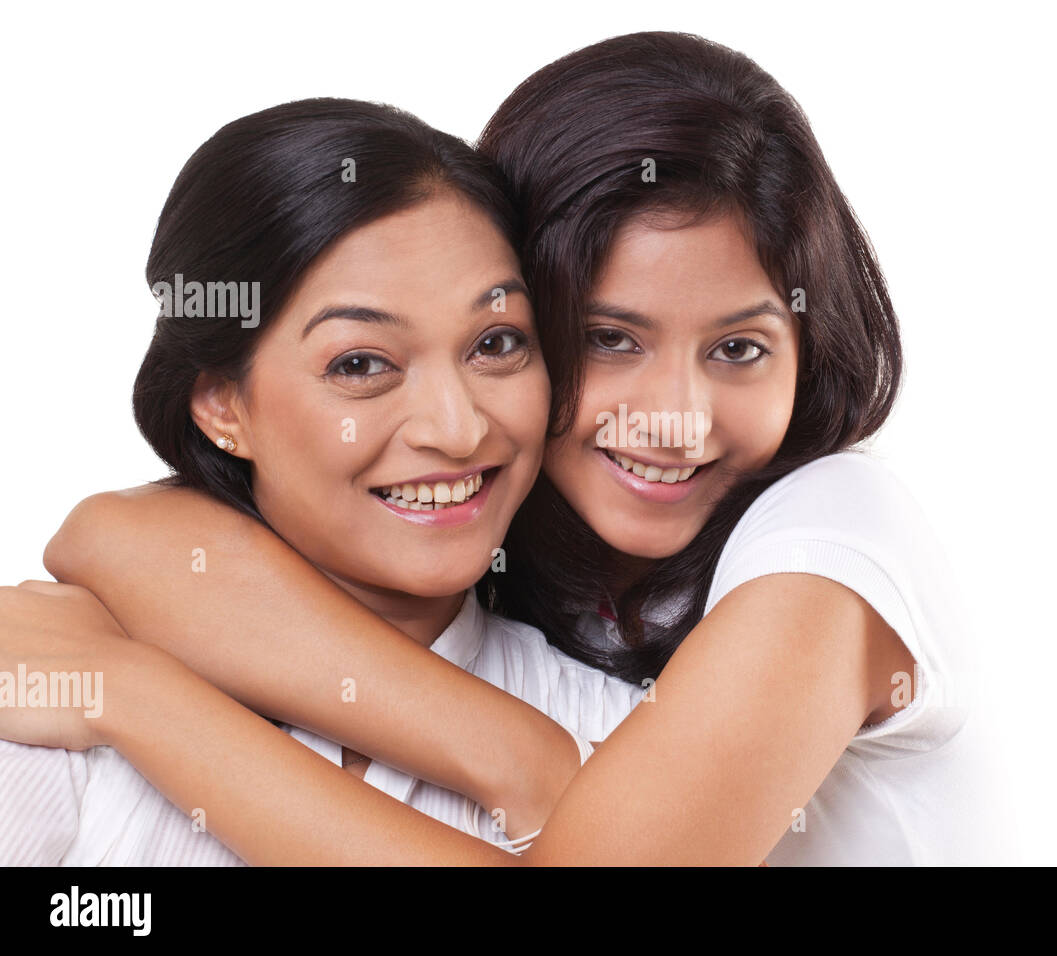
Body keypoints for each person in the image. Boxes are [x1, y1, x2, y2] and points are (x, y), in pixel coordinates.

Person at [2, 33, 1006, 865]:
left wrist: (132, 694)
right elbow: (116, 532)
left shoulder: (829, 535)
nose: (679, 418)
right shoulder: (555, 595)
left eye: (740, 346)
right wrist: (518, 753)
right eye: (610, 337)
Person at [0, 97, 644, 865]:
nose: (458, 428)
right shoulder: (44, 680)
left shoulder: (628, 740)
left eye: (496, 343)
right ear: (223, 406)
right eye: (360, 364)